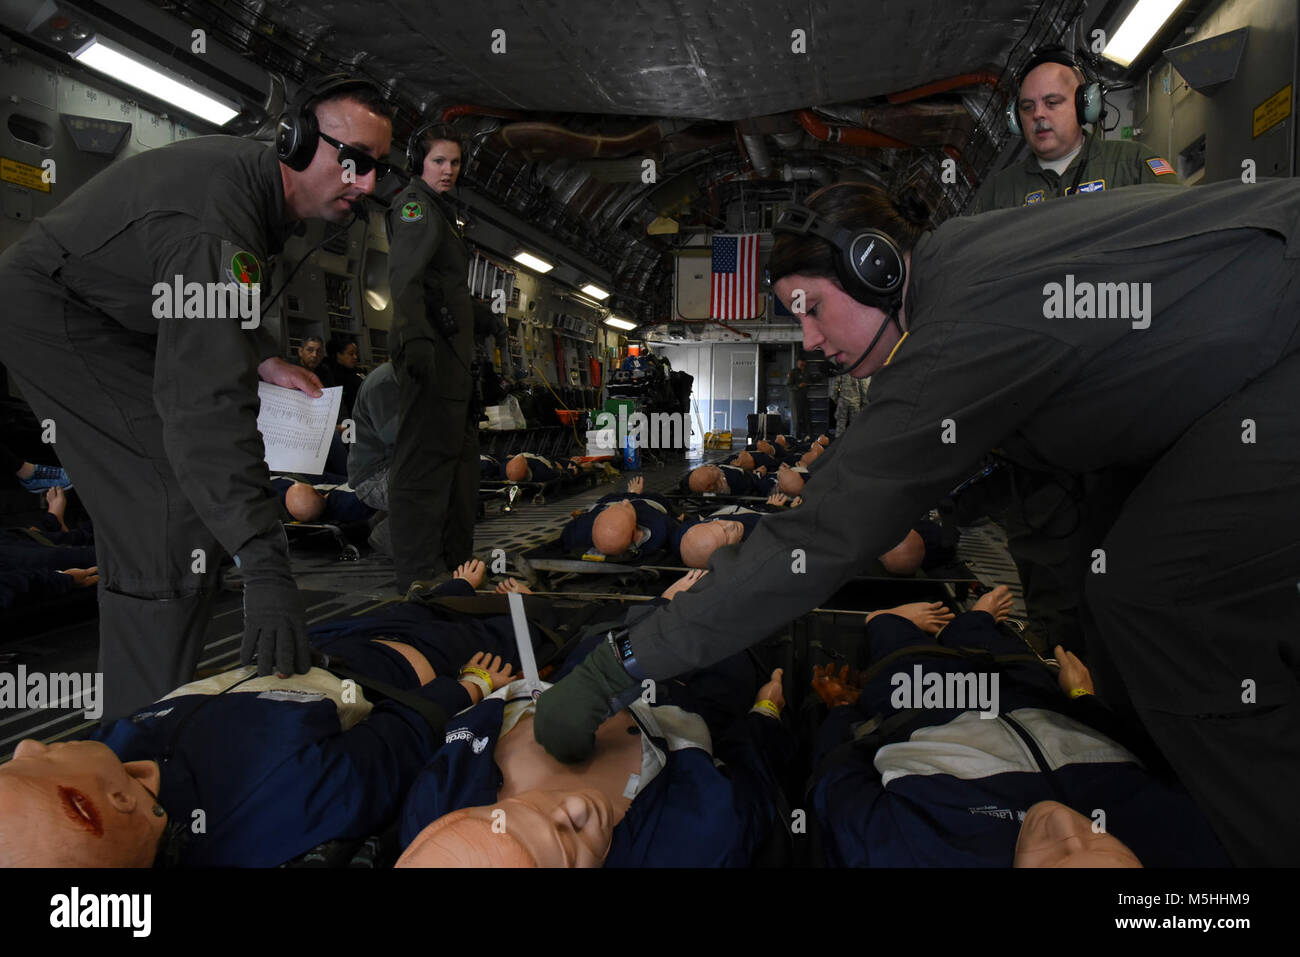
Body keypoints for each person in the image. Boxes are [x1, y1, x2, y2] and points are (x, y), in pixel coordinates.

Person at [535, 177, 1300, 866]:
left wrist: (623, 663)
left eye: (813, 309)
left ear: (877, 268)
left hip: (1279, 347)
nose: (809, 340)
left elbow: (827, 531)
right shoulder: (960, 278)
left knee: (1159, 592)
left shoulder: (957, 324)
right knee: (1127, 589)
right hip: (1238, 364)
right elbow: (1046, 466)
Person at [0, 74, 394, 721]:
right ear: (294, 141)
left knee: (182, 503)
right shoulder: (218, 223)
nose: (368, 183)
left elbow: (214, 303)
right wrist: (268, 566)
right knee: (169, 499)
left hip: (113, 314)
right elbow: (206, 412)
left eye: (377, 167)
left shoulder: (255, 203)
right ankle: (138, 739)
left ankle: (154, 705)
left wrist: (260, 353)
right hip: (58, 314)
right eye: (352, 162)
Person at [0, 562, 519, 867]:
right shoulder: (287, 795)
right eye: (38, 764)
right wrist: (472, 687)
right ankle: (485, 603)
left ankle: (454, 592)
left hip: (302, 656)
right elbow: (396, 741)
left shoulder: (113, 755)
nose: (27, 745)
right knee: (513, 622)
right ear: (115, 800)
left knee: (422, 604)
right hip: (398, 668)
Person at [395, 571, 795, 867]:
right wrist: (767, 710)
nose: (577, 807)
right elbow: (752, 774)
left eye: (529, 812)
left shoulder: (436, 815)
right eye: (570, 845)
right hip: (698, 688)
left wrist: (487, 690)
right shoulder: (697, 841)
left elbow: (449, 728)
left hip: (590, 662)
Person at [808, 588, 1227, 867]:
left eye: (1051, 861)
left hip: (928, 715)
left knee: (889, 631)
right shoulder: (1196, 847)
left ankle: (892, 620)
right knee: (993, 643)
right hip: (1045, 711)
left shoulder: (905, 855)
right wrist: (1084, 700)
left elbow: (836, 778)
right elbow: (1158, 756)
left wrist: (843, 709)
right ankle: (971, 622)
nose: (1067, 823)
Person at [387, 122, 478, 593]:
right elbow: (405, 278)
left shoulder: (443, 214)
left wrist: (478, 317)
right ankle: (419, 572)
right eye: (438, 160)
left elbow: (442, 286)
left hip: (452, 361)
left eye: (455, 162)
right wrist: (415, 340)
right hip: (431, 357)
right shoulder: (416, 206)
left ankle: (452, 564)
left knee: (454, 466)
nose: (448, 170)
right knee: (423, 467)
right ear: (419, 162)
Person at [969, 46, 1180, 214]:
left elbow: (1181, 221)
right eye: (1027, 107)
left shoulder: (1133, 164)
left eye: (1052, 102)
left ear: (1084, 106)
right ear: (1016, 118)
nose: (1038, 114)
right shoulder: (998, 192)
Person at [786, 358, 812, 436]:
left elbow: (811, 380)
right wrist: (798, 386)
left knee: (806, 418)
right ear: (798, 363)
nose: (802, 365)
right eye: (801, 364)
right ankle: (796, 439)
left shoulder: (806, 373)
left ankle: (808, 438)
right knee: (796, 420)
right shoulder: (793, 373)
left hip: (804, 398)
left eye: (804, 364)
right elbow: (788, 386)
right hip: (795, 399)